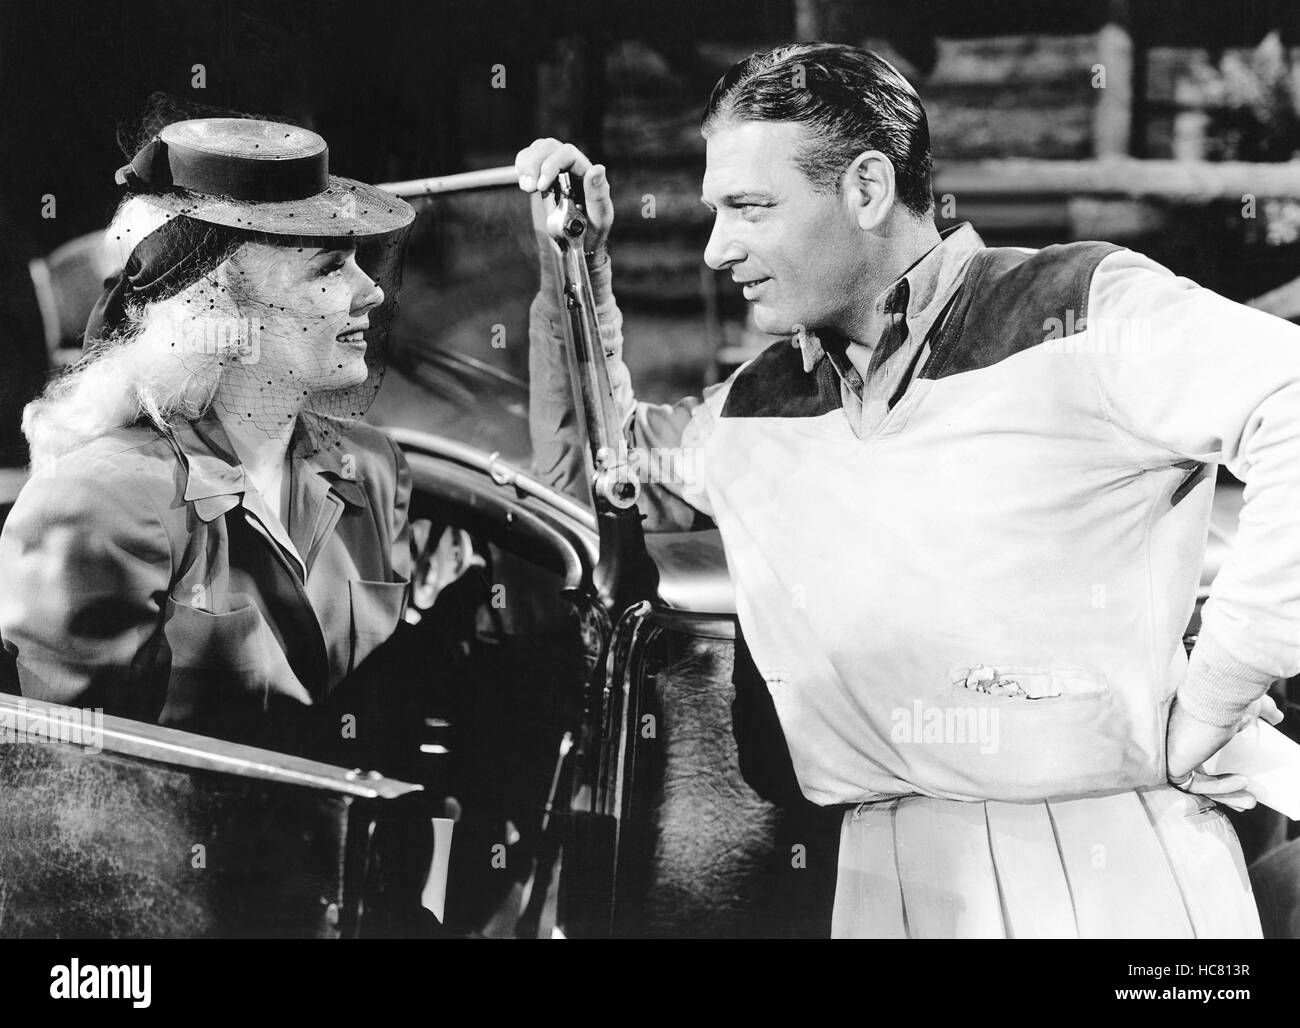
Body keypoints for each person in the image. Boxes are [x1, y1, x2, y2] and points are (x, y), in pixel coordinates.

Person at [518, 42, 1294, 939]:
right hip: (882, 872)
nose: (716, 247)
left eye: (749, 208)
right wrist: (572, 272)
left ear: (866, 189)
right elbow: (587, 484)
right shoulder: (755, 404)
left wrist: (1216, 696)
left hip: (1110, 872)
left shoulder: (1076, 306)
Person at [0, 116, 435, 766]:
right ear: (223, 309)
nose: (368, 291)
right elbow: (66, 802)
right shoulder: (102, 504)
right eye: (328, 267)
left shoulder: (368, 468)